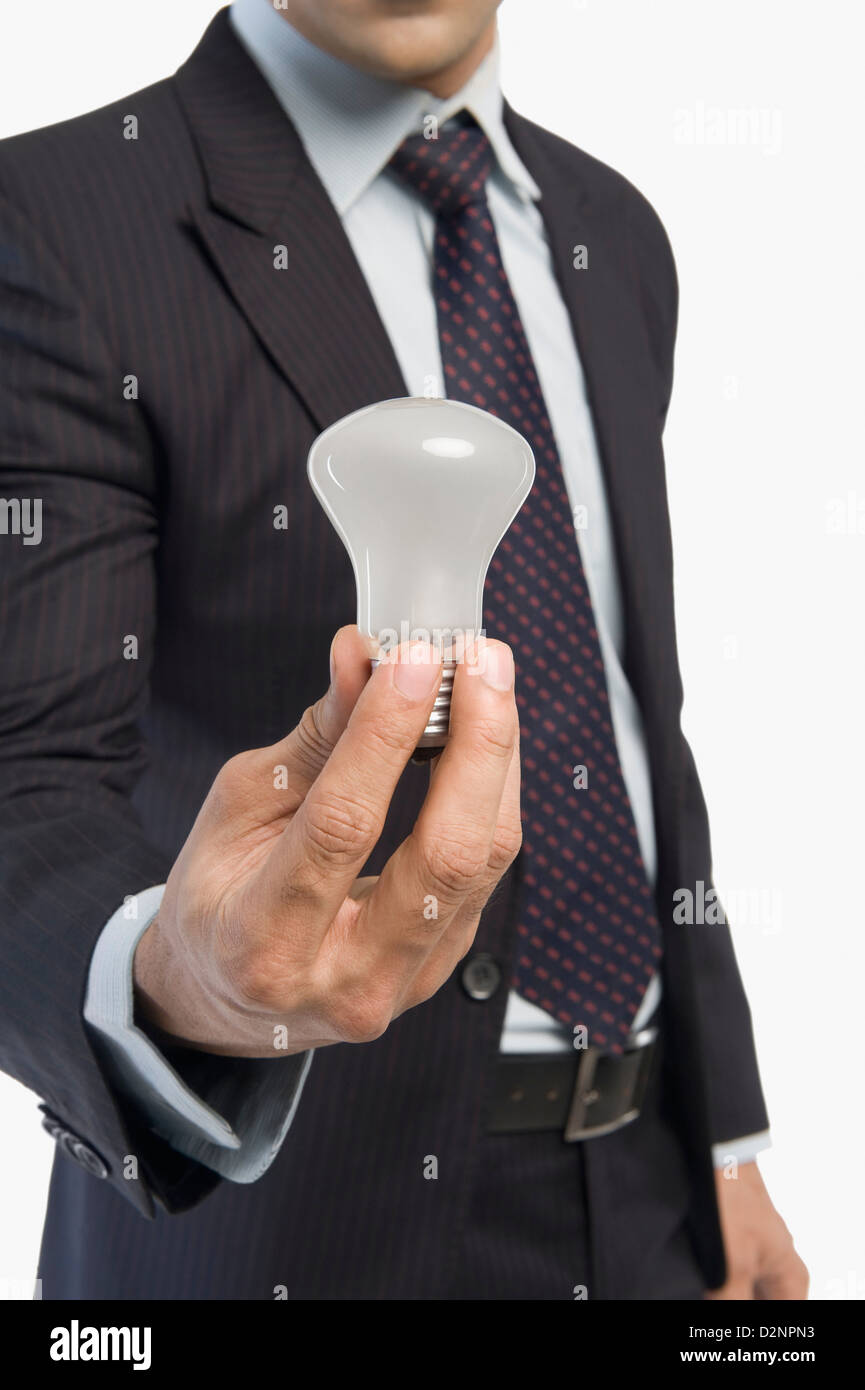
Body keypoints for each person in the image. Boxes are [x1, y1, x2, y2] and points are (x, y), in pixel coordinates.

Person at [0, 0, 807, 1300]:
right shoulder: (55, 213)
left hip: (649, 1187)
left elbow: (631, 704)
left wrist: (726, 1134)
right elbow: (18, 773)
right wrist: (184, 983)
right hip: (286, 1220)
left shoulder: (610, 230)